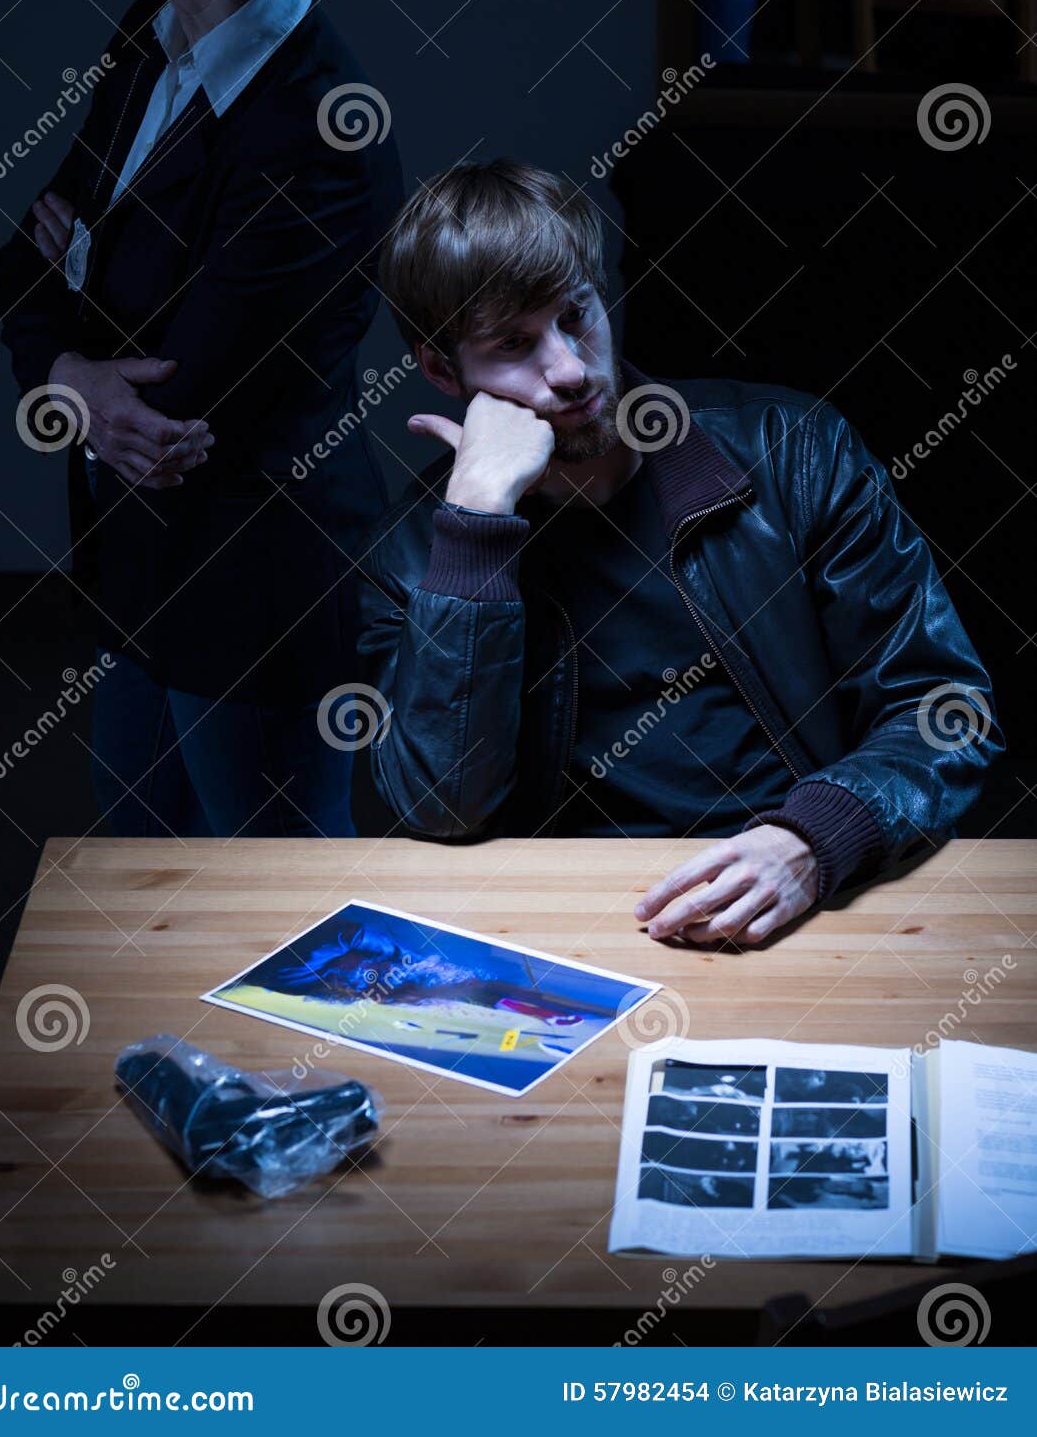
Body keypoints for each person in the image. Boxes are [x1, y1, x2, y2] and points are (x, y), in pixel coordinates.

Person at [357, 160, 1001, 947]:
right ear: (438, 368)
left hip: (797, 894)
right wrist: (476, 529)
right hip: (558, 924)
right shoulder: (415, 548)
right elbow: (438, 808)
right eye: (514, 344)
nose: (568, 369)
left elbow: (944, 709)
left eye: (576, 316)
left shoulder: (796, 452)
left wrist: (810, 839)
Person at [0, 0, 403, 837]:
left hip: (252, 578)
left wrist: (83, 326)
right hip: (137, 558)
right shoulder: (150, 35)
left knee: (274, 903)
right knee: (143, 881)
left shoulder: (321, 128)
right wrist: (73, 371)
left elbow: (183, 389)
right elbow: (23, 258)